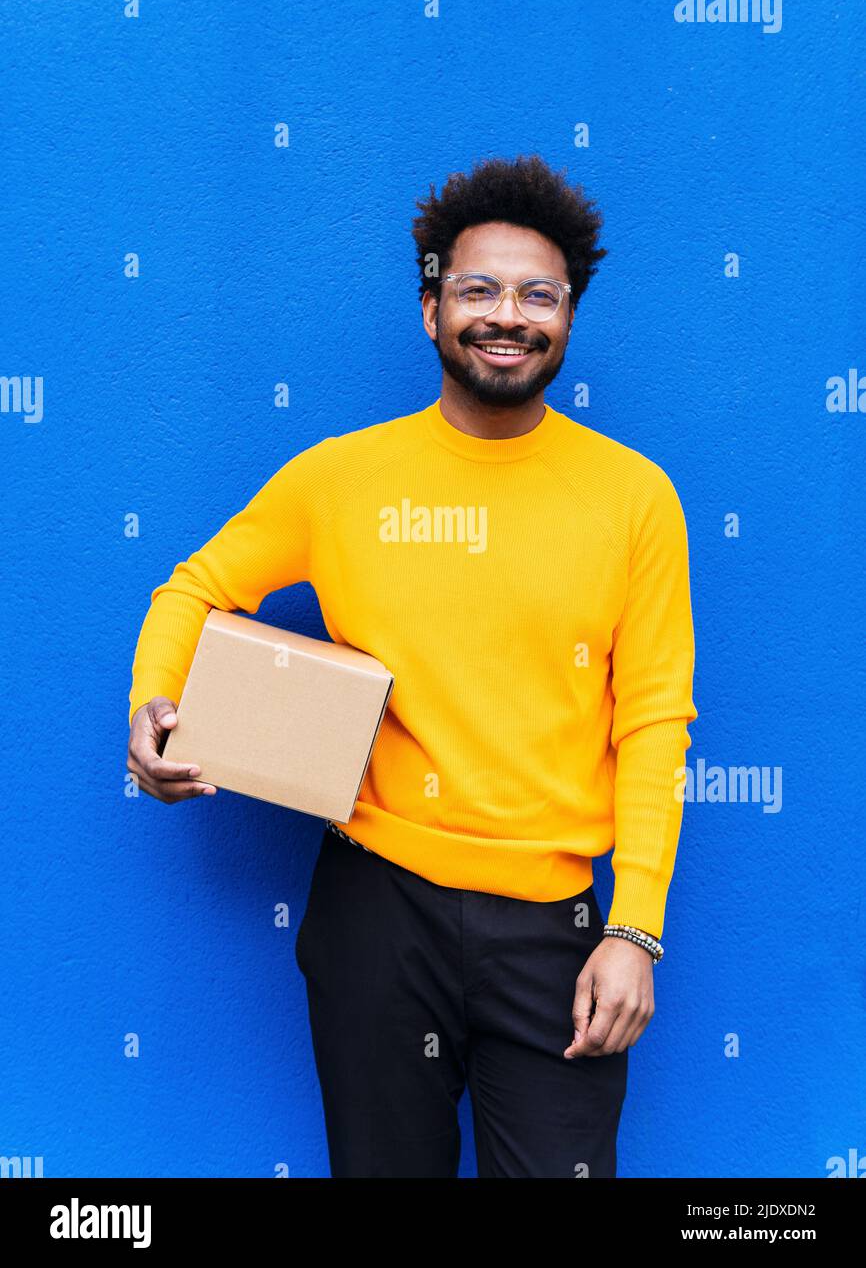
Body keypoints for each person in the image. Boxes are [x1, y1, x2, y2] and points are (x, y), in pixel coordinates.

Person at [126, 153, 698, 1178]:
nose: (506, 314)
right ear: (430, 310)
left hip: (556, 930)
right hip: (375, 912)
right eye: (476, 289)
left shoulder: (634, 498)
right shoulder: (340, 478)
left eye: (538, 294)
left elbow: (652, 720)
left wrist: (635, 931)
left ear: (568, 318)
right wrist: (155, 709)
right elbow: (194, 587)